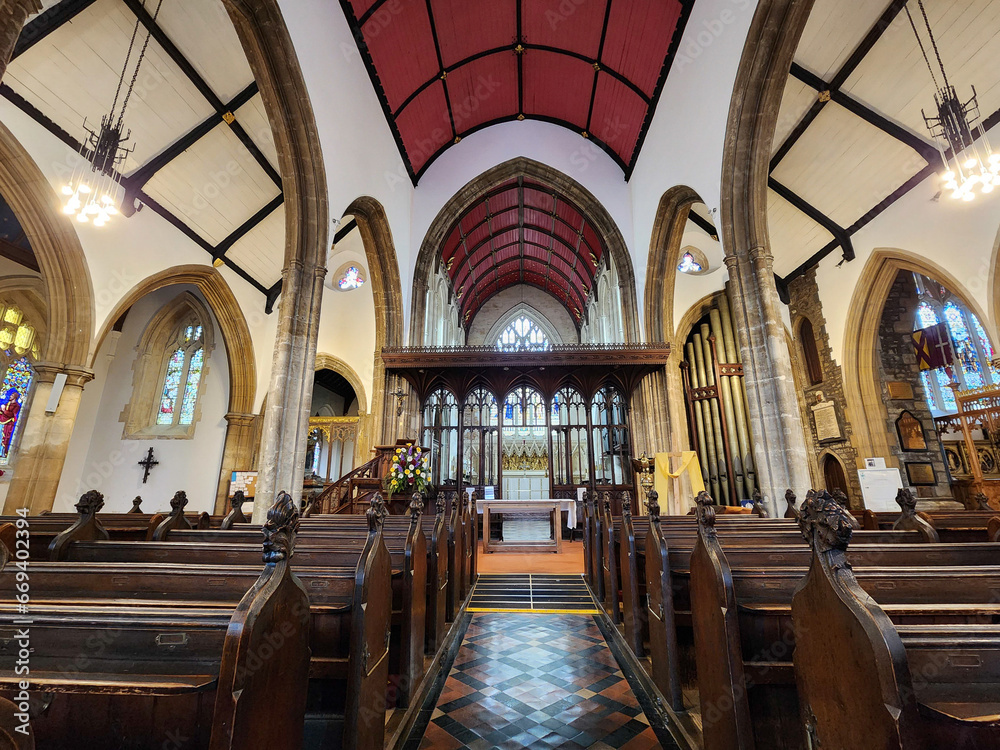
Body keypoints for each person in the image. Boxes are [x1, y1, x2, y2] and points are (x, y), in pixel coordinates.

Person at [0, 388, 22, 458]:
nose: (10, 396)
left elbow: (12, 414)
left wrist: (3, 410)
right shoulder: (7, 403)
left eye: (12, 395)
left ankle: (2, 452)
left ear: (15, 397)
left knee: (5, 438)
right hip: (2, 421)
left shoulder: (17, 406)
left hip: (9, 424)